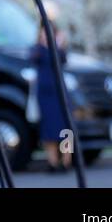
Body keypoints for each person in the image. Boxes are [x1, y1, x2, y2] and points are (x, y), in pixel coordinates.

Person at [33, 24, 72, 172]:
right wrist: (45, 45)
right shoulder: (38, 50)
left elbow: (62, 59)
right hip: (45, 94)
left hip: (59, 93)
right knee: (49, 130)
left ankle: (66, 160)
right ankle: (53, 161)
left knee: (65, 128)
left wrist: (57, 45)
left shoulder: (59, 50)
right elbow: (34, 57)